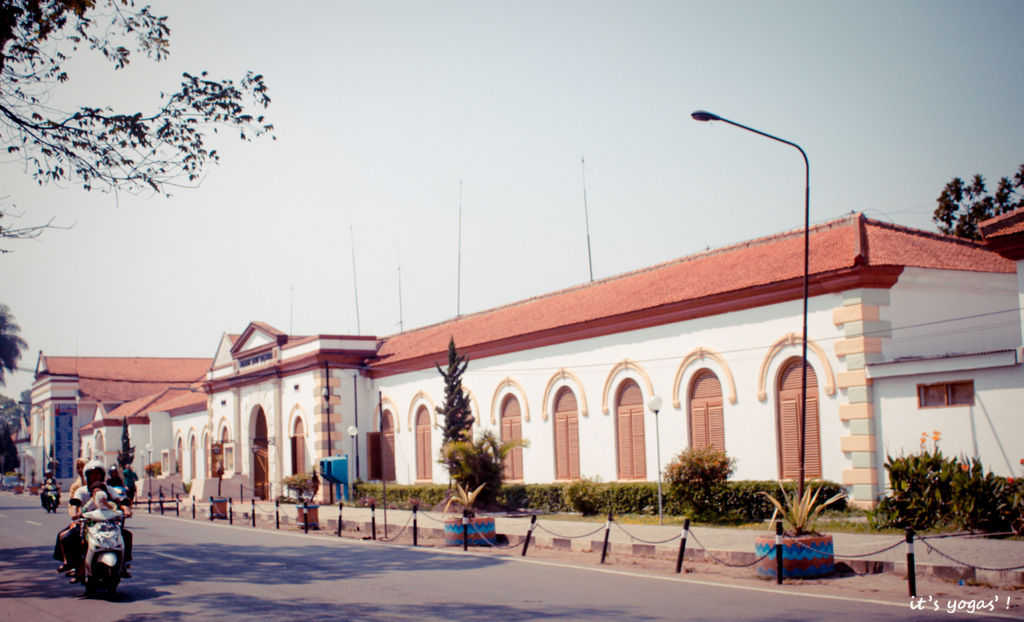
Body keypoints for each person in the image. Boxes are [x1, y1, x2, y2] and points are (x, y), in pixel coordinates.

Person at [57, 461, 134, 581]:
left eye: (98, 473)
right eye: (92, 473)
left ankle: (122, 564)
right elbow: (75, 504)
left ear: (102, 475)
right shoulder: (82, 491)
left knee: (126, 535)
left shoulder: (109, 489)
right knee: (68, 537)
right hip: (87, 524)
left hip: (108, 524)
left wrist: (127, 510)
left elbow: (120, 501)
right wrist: (75, 514)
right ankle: (78, 567)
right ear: (87, 476)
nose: (95, 476)